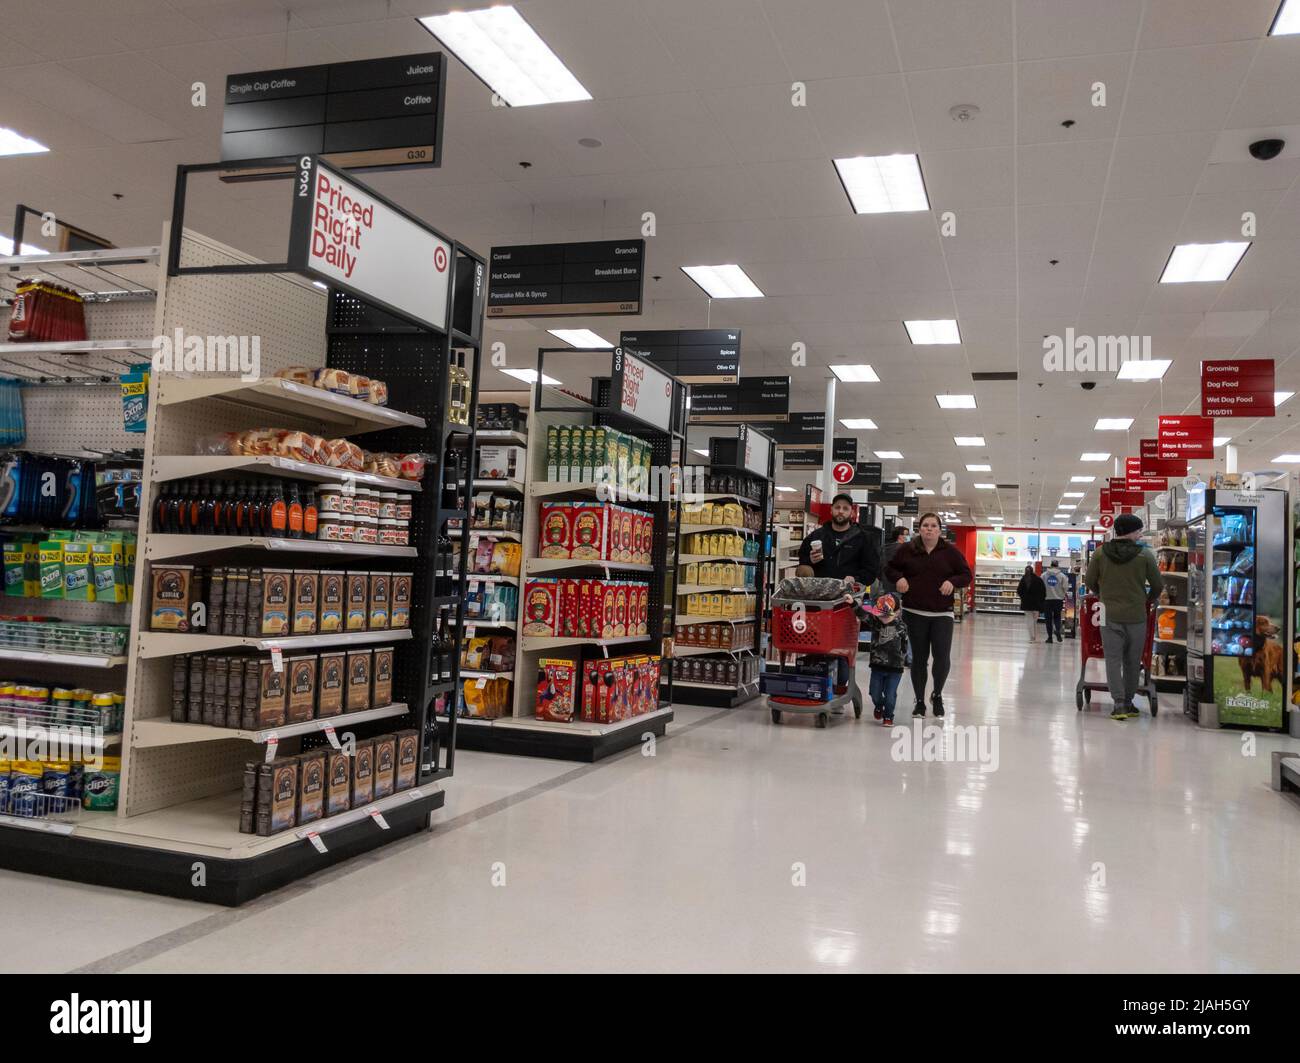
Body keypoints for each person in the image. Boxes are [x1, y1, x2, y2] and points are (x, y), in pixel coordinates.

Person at [884, 512, 972, 718]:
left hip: (942, 614)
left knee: (942, 658)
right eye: (925, 525)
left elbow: (966, 574)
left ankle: (937, 694)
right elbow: (890, 569)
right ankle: (920, 701)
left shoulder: (950, 552)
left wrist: (953, 582)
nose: (929, 529)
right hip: (914, 612)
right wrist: (899, 579)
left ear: (940, 530)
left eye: (933, 526)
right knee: (919, 660)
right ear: (919, 529)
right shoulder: (907, 550)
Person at [1085, 513, 1163, 720]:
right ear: (1131, 531)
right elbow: (1158, 585)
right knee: (1132, 661)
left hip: (1107, 614)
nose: (1140, 535)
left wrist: (1101, 593)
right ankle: (1128, 702)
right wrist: (1148, 599)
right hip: (1137, 615)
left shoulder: (1100, 554)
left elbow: (1090, 580)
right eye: (1138, 531)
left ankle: (1118, 704)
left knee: (1112, 660)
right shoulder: (1145, 556)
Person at [796, 493, 880, 588]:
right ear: (831, 510)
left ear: (852, 512)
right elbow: (802, 562)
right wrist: (810, 560)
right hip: (820, 592)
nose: (840, 511)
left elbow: (871, 570)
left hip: (850, 593)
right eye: (837, 507)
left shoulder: (863, 538)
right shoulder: (816, 536)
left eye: (845, 508)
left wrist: (855, 578)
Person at [862, 592, 909, 726]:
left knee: (890, 695)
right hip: (877, 666)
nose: (882, 618)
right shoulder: (875, 622)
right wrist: (852, 603)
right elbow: (863, 615)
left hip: (895, 668)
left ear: (897, 612)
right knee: (874, 693)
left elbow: (905, 645)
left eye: (886, 615)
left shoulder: (901, 627)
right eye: (880, 614)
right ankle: (879, 705)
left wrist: (903, 659)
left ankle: (888, 715)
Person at [1041, 559, 1070, 643]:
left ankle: (1049, 637)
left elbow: (1040, 586)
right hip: (1058, 600)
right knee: (1057, 617)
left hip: (1047, 600)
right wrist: (1063, 594)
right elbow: (1066, 587)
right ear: (1057, 566)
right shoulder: (1062, 576)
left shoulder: (1044, 575)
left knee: (1048, 619)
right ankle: (1057, 630)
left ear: (1050, 565)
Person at [1017, 563, 1046, 642]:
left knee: (1029, 620)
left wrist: (1023, 598)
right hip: (1036, 604)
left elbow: (1019, 591)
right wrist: (1041, 601)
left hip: (1026, 604)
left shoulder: (1023, 580)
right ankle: (1034, 636)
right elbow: (1043, 592)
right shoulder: (1038, 579)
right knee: (1034, 621)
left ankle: (1032, 637)